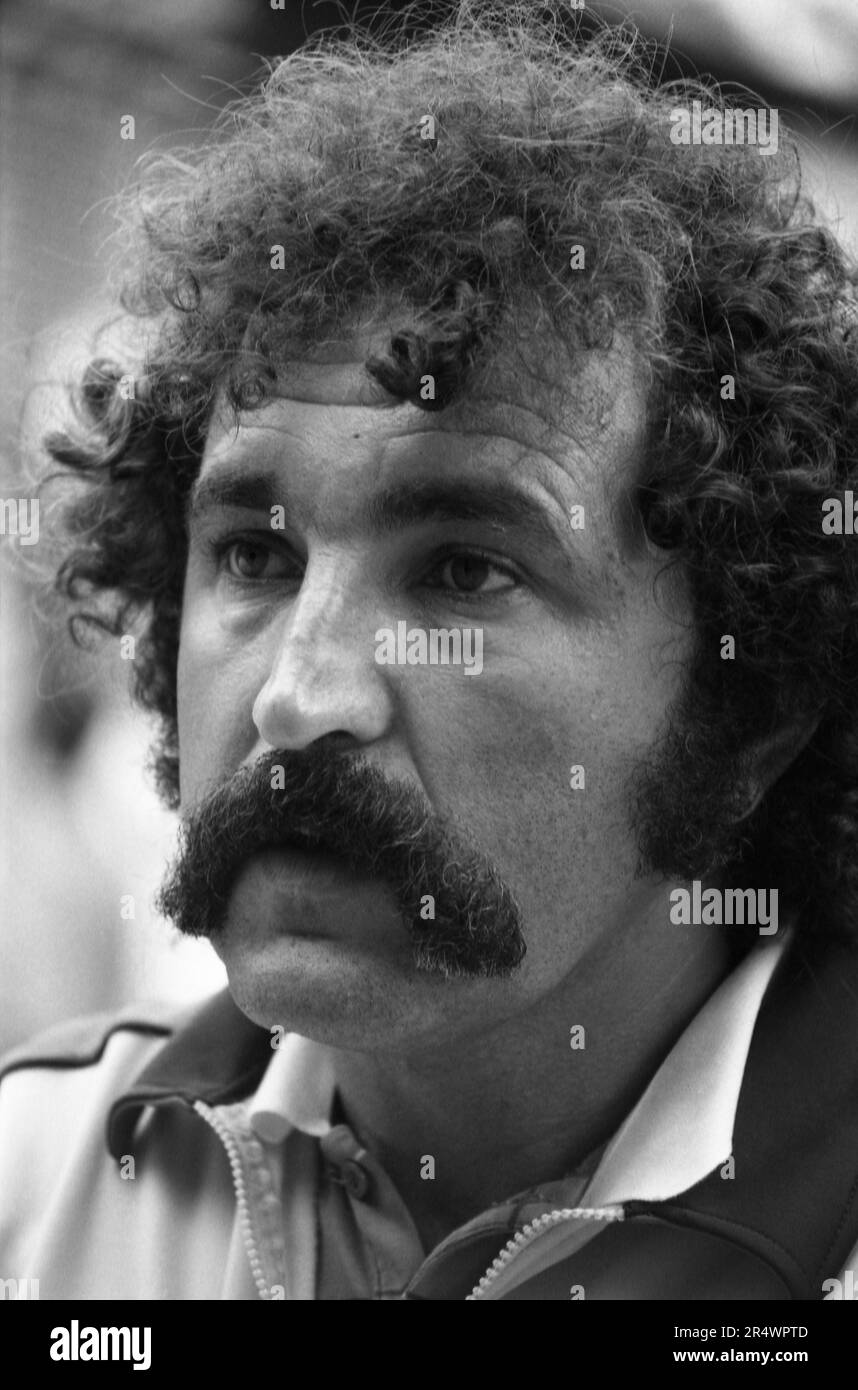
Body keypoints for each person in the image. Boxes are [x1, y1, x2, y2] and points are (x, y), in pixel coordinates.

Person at [2, 0, 857, 1301]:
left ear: (753, 705)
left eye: (463, 568)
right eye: (255, 555)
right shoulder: (34, 1189)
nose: (298, 697)